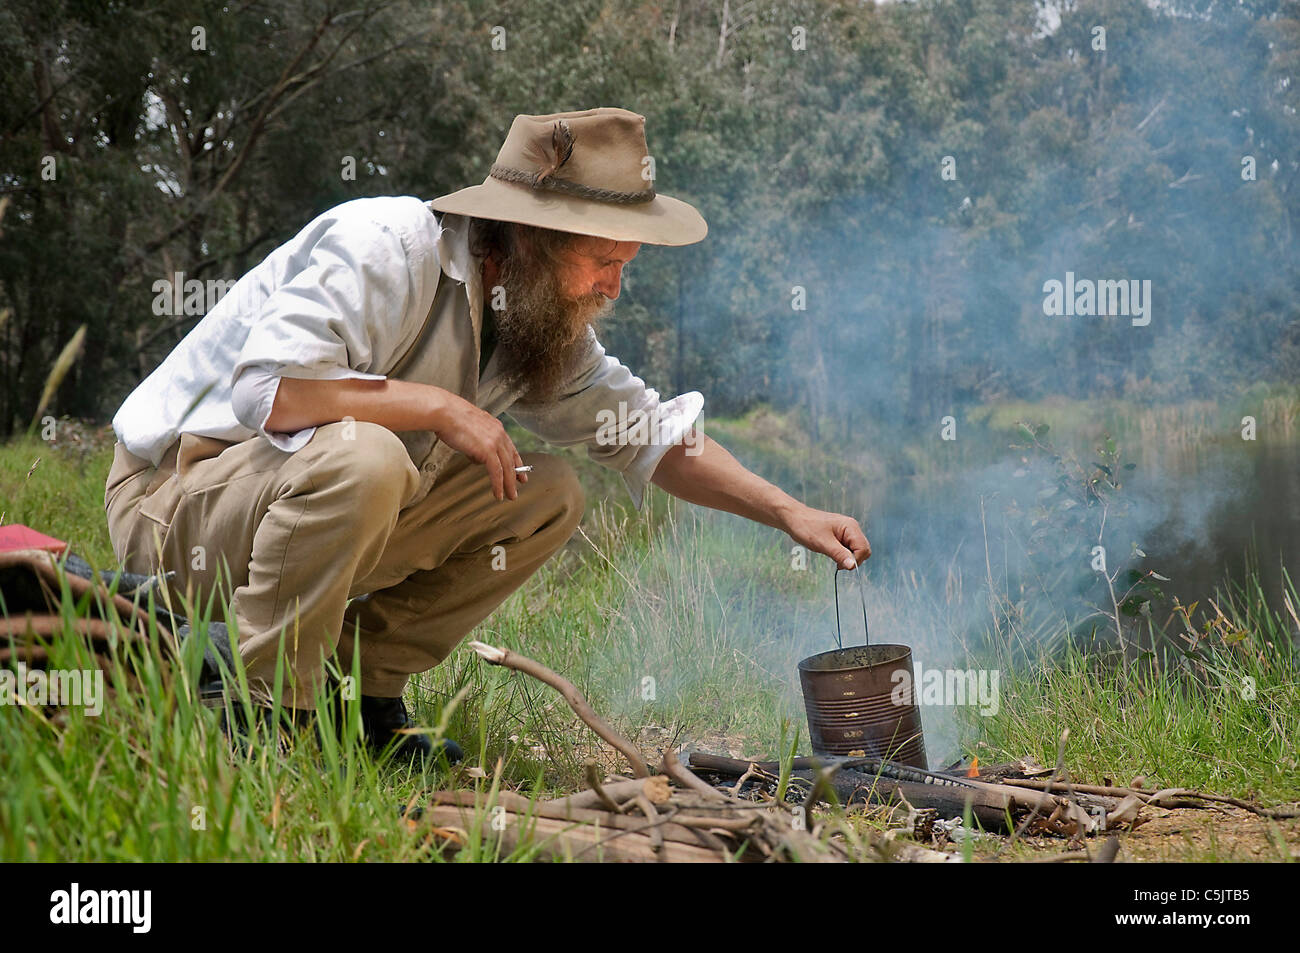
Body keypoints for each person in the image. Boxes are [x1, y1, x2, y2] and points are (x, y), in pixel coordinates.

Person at [104, 107, 870, 763]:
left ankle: (364, 705)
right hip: (176, 511)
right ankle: (263, 716)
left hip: (295, 523)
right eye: (604, 260)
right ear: (531, 235)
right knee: (364, 453)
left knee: (549, 495)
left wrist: (789, 514)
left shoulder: (539, 325)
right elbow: (267, 388)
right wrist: (439, 409)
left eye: (625, 263)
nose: (614, 285)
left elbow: (653, 436)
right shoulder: (388, 245)